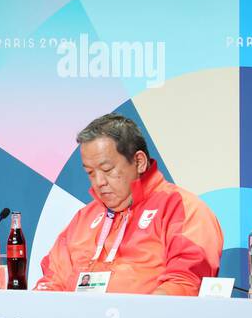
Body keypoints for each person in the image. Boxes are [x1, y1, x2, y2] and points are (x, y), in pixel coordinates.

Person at [35, 113, 222, 294]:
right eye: (90, 172)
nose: (98, 181)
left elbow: (185, 283)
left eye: (107, 169)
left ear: (139, 162)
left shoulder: (182, 208)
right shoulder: (84, 218)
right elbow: (52, 282)